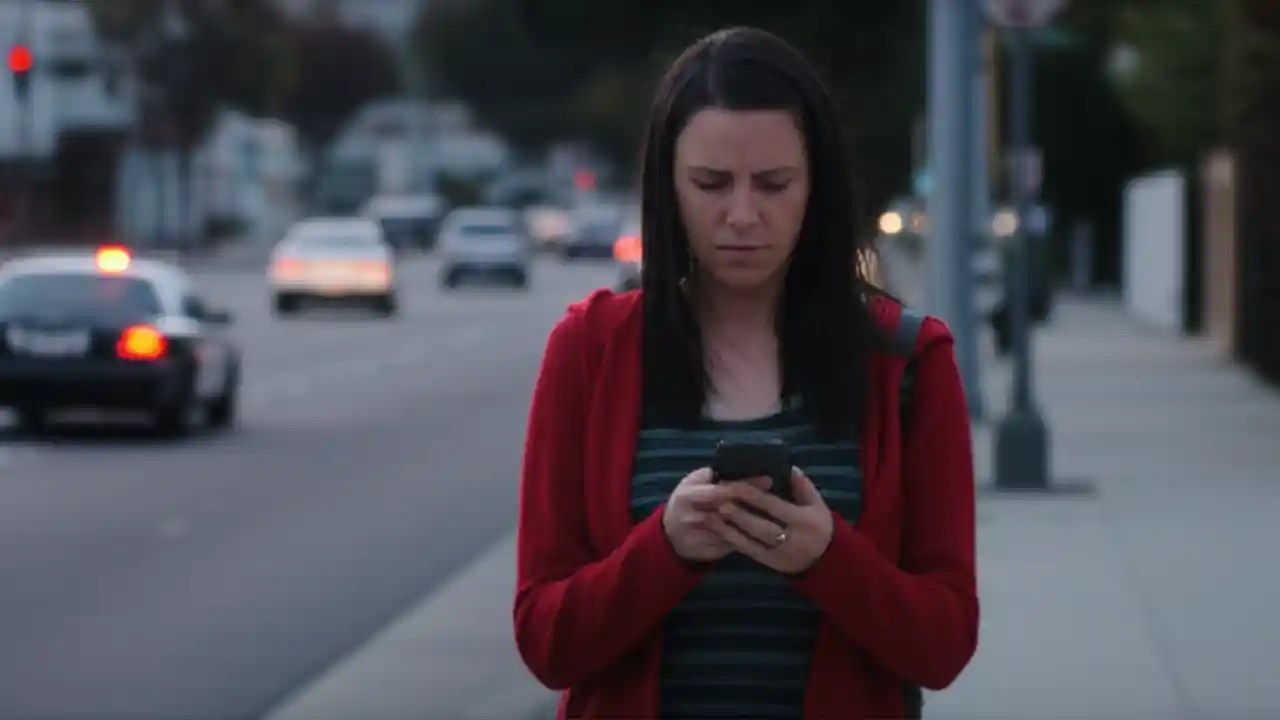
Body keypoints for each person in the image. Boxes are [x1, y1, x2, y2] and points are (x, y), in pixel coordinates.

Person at [514, 26, 978, 719]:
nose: (741, 214)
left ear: (816, 186)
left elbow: (944, 645)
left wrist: (829, 561)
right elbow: (545, 642)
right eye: (710, 184)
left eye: (773, 183)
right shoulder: (591, 348)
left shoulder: (907, 360)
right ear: (667, 187)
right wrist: (664, 549)